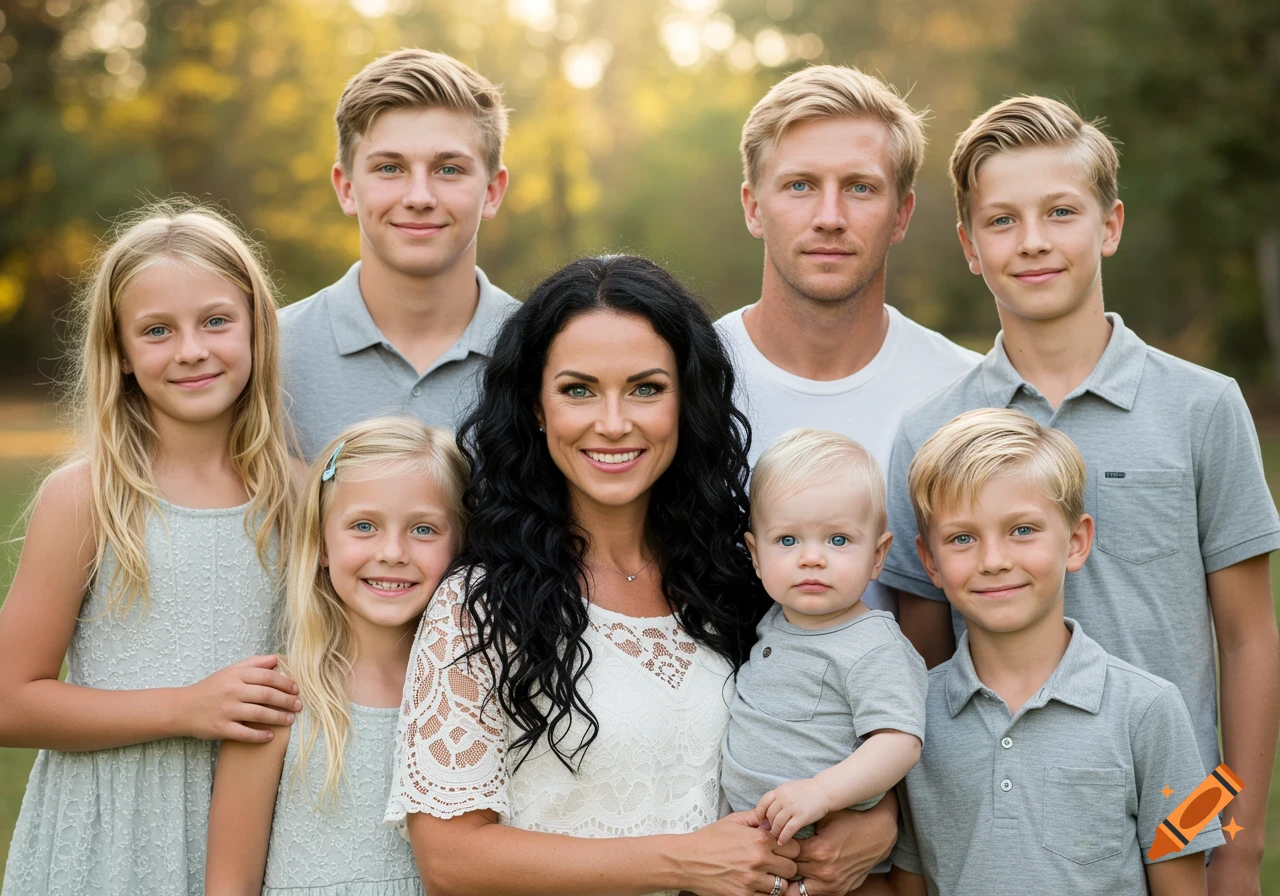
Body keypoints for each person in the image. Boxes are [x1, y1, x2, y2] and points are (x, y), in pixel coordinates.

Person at [385, 255, 892, 896]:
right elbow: (450, 858)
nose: (615, 422)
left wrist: (878, 822)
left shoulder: (746, 578)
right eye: (578, 390)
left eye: (647, 388)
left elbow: (848, 722)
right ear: (536, 407)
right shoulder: (479, 603)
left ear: (687, 401)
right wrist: (681, 862)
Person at [879, 96, 1280, 894]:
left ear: (1110, 225)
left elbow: (1247, 638)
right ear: (969, 246)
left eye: (1060, 212)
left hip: (1177, 825)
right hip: (1002, 835)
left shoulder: (1202, 408)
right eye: (1001, 221)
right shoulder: (932, 432)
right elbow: (921, 663)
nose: (1033, 241)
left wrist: (1231, 839)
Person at [0, 202, 302, 896]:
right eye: (158, 331)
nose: (191, 349)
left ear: (257, 328)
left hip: (254, 832)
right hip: (108, 835)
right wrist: (185, 707)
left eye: (216, 321)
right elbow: (10, 700)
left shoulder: (298, 495)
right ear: (123, 355)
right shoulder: (87, 497)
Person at [882, 407, 1219, 896]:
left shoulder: (1153, 709)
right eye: (962, 538)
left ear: (1076, 541)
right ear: (930, 561)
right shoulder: (912, 717)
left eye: (1022, 530)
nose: (994, 561)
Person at [716, 64, 981, 613]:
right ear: (752, 207)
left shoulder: (965, 394)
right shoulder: (688, 379)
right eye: (800, 186)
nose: (830, 217)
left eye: (860, 188)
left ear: (901, 214)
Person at [206, 417, 467, 895]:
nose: (392, 552)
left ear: (460, 545)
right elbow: (229, 884)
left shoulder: (471, 694)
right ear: (321, 544)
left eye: (424, 529)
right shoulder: (276, 699)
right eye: (363, 526)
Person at [280, 48, 519, 461]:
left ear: (492, 192)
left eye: (449, 169)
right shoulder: (268, 353)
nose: (419, 197)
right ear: (346, 188)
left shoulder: (542, 351)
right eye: (390, 168)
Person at [721, 429, 926, 883]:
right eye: (788, 541)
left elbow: (899, 743)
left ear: (877, 556)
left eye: (837, 540)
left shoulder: (875, 645)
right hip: (745, 851)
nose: (811, 558)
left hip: (818, 848)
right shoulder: (772, 620)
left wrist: (821, 791)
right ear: (756, 556)